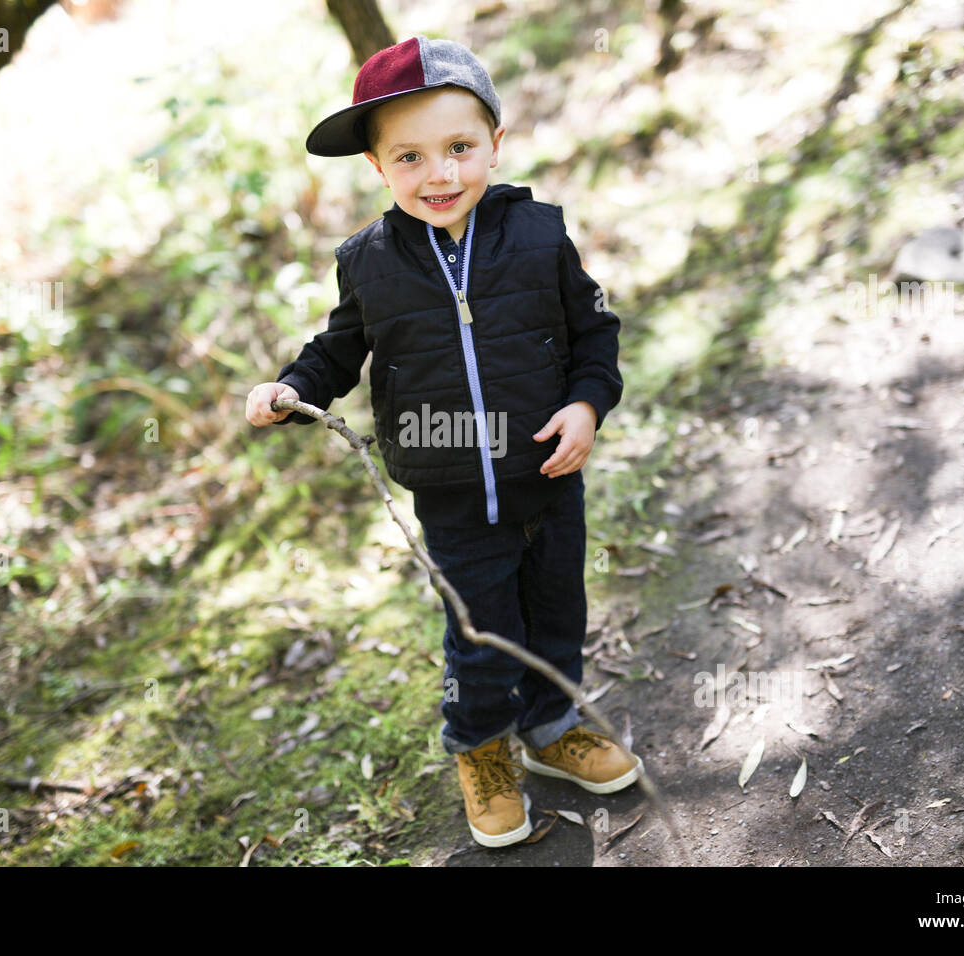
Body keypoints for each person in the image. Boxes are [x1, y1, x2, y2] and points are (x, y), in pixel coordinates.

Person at [245, 35, 641, 848]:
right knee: (481, 629)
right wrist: (292, 390)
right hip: (452, 492)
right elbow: (336, 351)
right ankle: (481, 746)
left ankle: (552, 725)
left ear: (495, 143)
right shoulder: (369, 262)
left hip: (547, 474)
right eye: (410, 157)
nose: (440, 174)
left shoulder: (539, 236)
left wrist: (586, 405)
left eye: (459, 148)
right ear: (377, 168)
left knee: (556, 609)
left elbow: (594, 334)